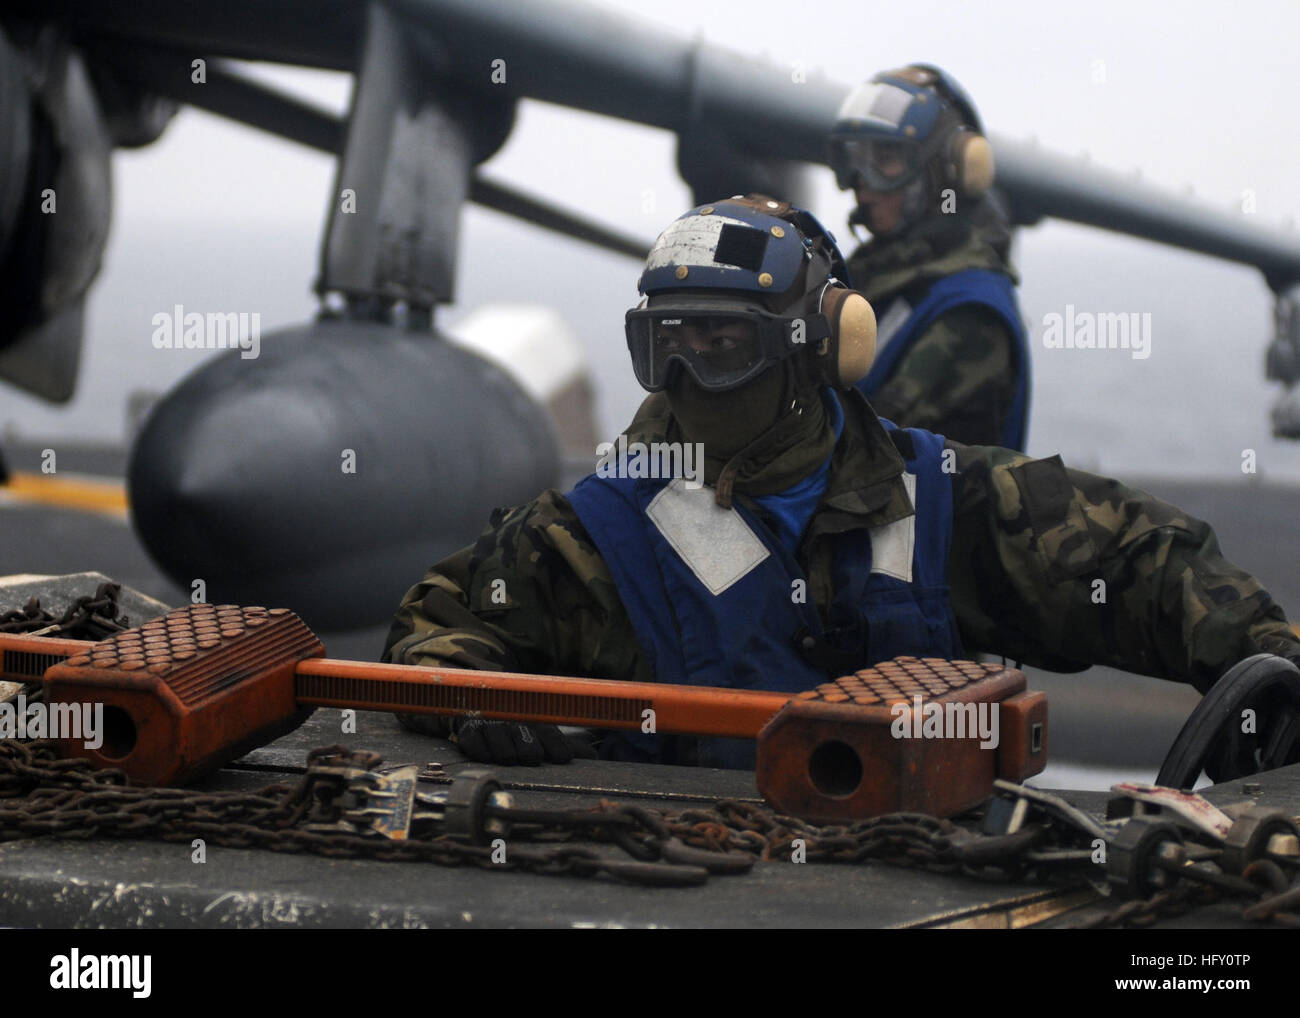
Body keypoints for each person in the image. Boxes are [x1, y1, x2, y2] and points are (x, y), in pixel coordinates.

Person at [382, 195, 1299, 771]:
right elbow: (434, 628)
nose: (690, 380)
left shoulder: (944, 503)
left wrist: (1267, 669)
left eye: (723, 345)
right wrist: (474, 698)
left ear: (820, 348)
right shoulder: (589, 539)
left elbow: (1142, 561)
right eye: (669, 348)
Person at [827, 64, 1030, 449]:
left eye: (885, 162)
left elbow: (864, 449)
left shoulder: (968, 310)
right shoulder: (886, 271)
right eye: (855, 163)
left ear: (947, 172)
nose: (863, 189)